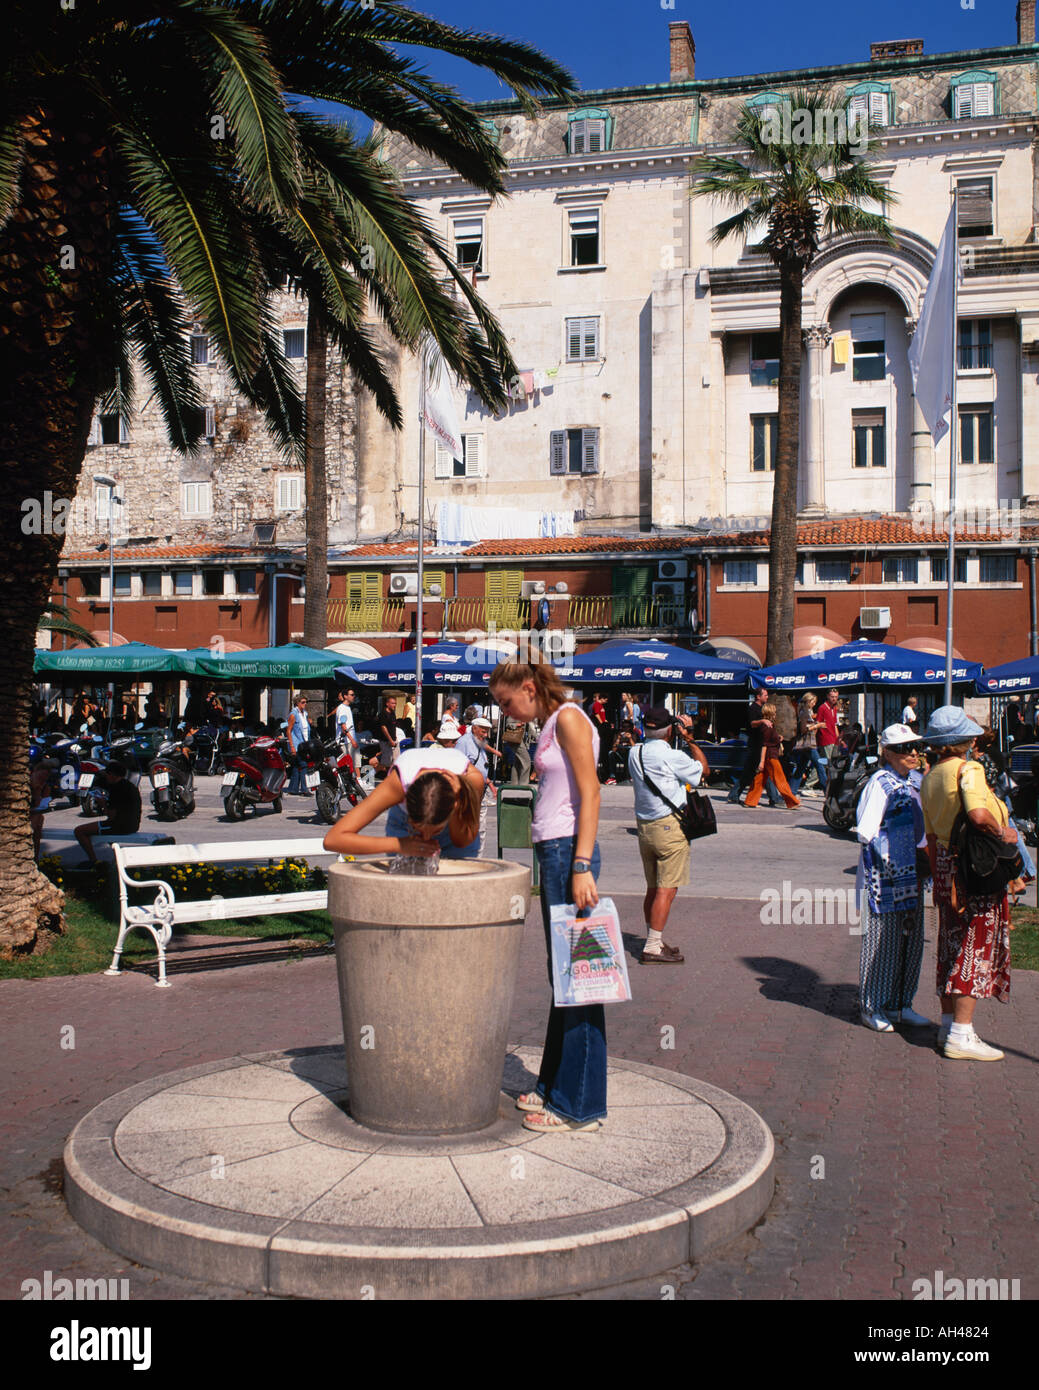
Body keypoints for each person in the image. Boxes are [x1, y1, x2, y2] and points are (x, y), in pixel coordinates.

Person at [489, 656, 605, 1133]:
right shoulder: (555, 721)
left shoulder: (571, 719)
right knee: (566, 976)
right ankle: (553, 1085)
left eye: (507, 701)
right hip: (556, 853)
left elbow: (591, 792)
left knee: (579, 980)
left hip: (567, 854)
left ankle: (577, 1105)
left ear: (530, 687)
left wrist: (580, 864)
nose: (505, 712)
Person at [921, 706, 1016, 1062]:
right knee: (975, 944)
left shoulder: (930, 776)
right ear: (964, 741)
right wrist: (1001, 831)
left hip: (946, 866)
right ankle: (962, 1034)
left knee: (950, 943)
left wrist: (938, 878)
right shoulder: (969, 769)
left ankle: (948, 1025)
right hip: (974, 868)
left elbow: (930, 837)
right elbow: (978, 815)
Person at [854, 724, 931, 1032]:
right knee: (881, 945)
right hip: (884, 879)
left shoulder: (914, 780)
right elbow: (865, 832)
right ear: (886, 752)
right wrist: (887, 866)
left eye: (915, 747)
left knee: (910, 943)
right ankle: (872, 1006)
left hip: (911, 874)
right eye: (903, 748)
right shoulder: (879, 784)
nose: (912, 753)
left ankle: (901, 1003)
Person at [628, 706, 709, 964]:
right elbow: (703, 771)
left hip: (645, 826)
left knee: (652, 888)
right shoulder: (672, 756)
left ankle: (654, 938)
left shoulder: (634, 752)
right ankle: (652, 946)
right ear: (670, 730)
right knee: (666, 889)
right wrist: (690, 738)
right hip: (669, 827)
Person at [323, 739, 484, 864]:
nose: (426, 838)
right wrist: (398, 844)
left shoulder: (471, 780)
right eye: (417, 828)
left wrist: (459, 803)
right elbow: (333, 839)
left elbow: (462, 841)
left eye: (435, 831)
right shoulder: (397, 784)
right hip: (404, 827)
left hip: (455, 817)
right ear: (404, 800)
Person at [74, 763, 142, 866]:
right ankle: (117, 857)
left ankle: (93, 861)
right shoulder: (130, 786)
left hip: (121, 825)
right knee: (105, 833)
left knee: (79, 831)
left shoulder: (117, 789)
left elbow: (110, 816)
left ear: (113, 775)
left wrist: (103, 804)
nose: (106, 777)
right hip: (133, 824)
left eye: (107, 775)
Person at [728, 687, 781, 806]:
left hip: (760, 743)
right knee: (764, 771)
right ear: (758, 696)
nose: (767, 697)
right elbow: (752, 723)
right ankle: (774, 798)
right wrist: (762, 721)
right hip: (756, 745)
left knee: (749, 772)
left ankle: (734, 795)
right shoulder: (753, 708)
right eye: (765, 695)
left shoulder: (762, 708)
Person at [744, 703, 800, 809]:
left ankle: (750, 801)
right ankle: (792, 802)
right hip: (770, 757)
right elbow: (764, 745)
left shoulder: (768, 726)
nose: (776, 714)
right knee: (780, 779)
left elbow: (767, 741)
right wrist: (761, 761)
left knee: (759, 780)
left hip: (768, 756)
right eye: (774, 712)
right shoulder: (767, 727)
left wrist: (778, 738)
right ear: (771, 713)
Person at [457, 716, 499, 851]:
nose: (485, 735)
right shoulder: (464, 742)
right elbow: (458, 767)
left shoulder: (479, 743)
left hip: (480, 792)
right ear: (474, 729)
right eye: (483, 731)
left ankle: (478, 856)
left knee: (481, 827)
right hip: (468, 792)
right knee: (468, 826)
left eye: (487, 732)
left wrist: (491, 785)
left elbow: (480, 767)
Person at [789, 693, 827, 796]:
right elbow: (803, 729)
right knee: (820, 766)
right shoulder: (805, 712)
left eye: (815, 702)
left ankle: (791, 791)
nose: (814, 704)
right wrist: (817, 725)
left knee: (801, 768)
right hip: (808, 744)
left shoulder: (806, 711)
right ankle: (827, 790)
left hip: (807, 744)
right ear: (807, 701)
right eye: (812, 702)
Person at [285, 693, 312, 795]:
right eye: (303, 702)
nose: (305, 704)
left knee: (297, 766)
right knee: (304, 765)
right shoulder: (293, 714)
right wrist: (292, 746)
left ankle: (293, 788)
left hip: (304, 743)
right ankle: (304, 789)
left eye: (306, 702)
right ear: (297, 703)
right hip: (296, 744)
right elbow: (289, 731)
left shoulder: (304, 713)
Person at [816, 688, 841, 768]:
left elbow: (835, 725)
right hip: (825, 739)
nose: (834, 699)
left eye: (836, 697)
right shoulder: (822, 708)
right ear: (827, 696)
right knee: (827, 763)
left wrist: (838, 738)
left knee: (832, 762)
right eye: (832, 696)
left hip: (833, 739)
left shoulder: (834, 708)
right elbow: (817, 724)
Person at [377, 693, 399, 772]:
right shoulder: (383, 714)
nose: (394, 705)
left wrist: (394, 739)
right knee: (385, 763)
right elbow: (383, 727)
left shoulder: (393, 713)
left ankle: (391, 778)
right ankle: (368, 776)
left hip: (394, 740)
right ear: (387, 704)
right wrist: (390, 740)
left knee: (396, 761)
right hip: (386, 741)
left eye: (395, 703)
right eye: (393, 703)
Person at [334, 688, 359, 755]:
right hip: (346, 742)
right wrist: (352, 740)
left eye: (354, 695)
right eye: (352, 695)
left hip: (350, 740)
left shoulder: (347, 707)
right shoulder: (342, 708)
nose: (354, 697)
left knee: (356, 764)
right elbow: (343, 726)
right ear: (345, 696)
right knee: (349, 764)